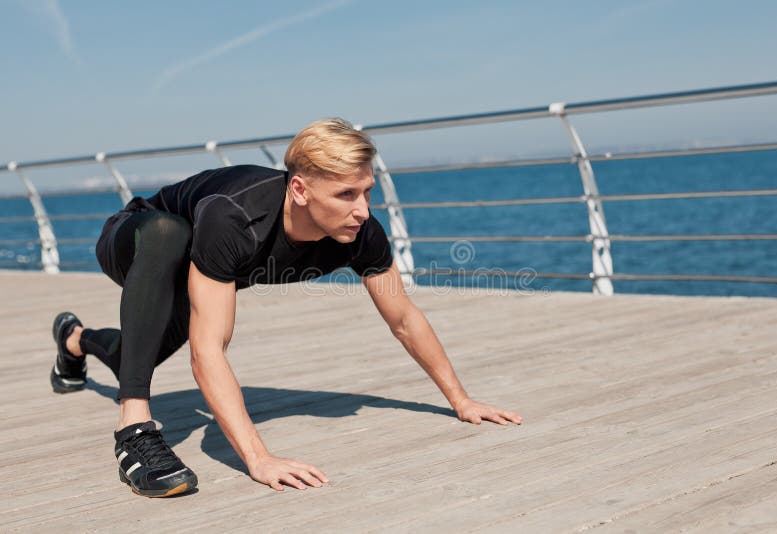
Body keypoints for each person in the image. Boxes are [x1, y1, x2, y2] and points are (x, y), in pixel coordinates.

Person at [50, 118, 523, 498]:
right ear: (299, 190)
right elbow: (208, 350)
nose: (362, 209)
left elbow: (403, 318)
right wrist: (257, 458)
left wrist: (461, 401)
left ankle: (73, 340)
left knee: (135, 354)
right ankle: (134, 430)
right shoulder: (235, 217)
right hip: (137, 239)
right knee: (167, 233)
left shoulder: (360, 233)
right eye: (346, 194)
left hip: (203, 268)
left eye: (367, 191)